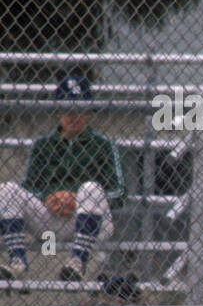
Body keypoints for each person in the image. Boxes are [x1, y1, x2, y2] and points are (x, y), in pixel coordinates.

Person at [0, 74, 124, 282]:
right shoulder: (43, 144)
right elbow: (28, 187)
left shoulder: (103, 145)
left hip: (90, 221)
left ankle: (77, 263)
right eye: (67, 108)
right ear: (57, 111)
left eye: (80, 109)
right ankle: (18, 263)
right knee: (7, 190)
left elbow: (120, 192)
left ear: (89, 112)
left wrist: (78, 198)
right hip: (50, 222)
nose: (73, 115)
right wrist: (49, 198)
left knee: (91, 188)